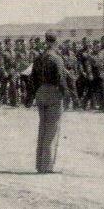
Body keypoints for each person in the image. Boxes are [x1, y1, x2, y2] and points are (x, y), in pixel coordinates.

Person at [32, 31, 66, 173]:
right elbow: (60, 79)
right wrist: (65, 94)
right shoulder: (56, 58)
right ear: (55, 42)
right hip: (53, 93)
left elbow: (32, 78)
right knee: (52, 130)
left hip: (41, 92)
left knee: (43, 129)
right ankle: (47, 166)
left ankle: (40, 164)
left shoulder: (39, 58)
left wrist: (35, 93)